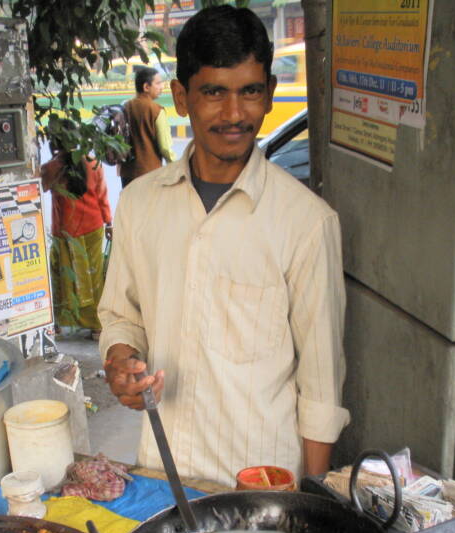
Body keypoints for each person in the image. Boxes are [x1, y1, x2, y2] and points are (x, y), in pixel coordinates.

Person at [98, 5, 349, 486]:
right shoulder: (140, 204)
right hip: (162, 479)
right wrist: (121, 362)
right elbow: (121, 316)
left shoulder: (306, 223)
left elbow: (321, 391)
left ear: (269, 95)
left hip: (259, 490)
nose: (234, 114)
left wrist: (313, 508)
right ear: (181, 97)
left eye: (250, 92)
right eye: (213, 92)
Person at [41, 127, 112, 339]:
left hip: (65, 232)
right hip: (93, 228)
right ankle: (97, 326)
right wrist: (109, 222)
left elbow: (40, 187)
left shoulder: (52, 168)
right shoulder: (93, 164)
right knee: (93, 278)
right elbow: (102, 196)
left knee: (63, 278)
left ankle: (60, 325)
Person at [119, 67, 176, 188]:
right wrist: (175, 167)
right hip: (150, 173)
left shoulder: (125, 107)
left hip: (127, 174)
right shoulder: (156, 110)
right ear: (146, 87)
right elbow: (165, 147)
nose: (162, 87)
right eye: (158, 83)